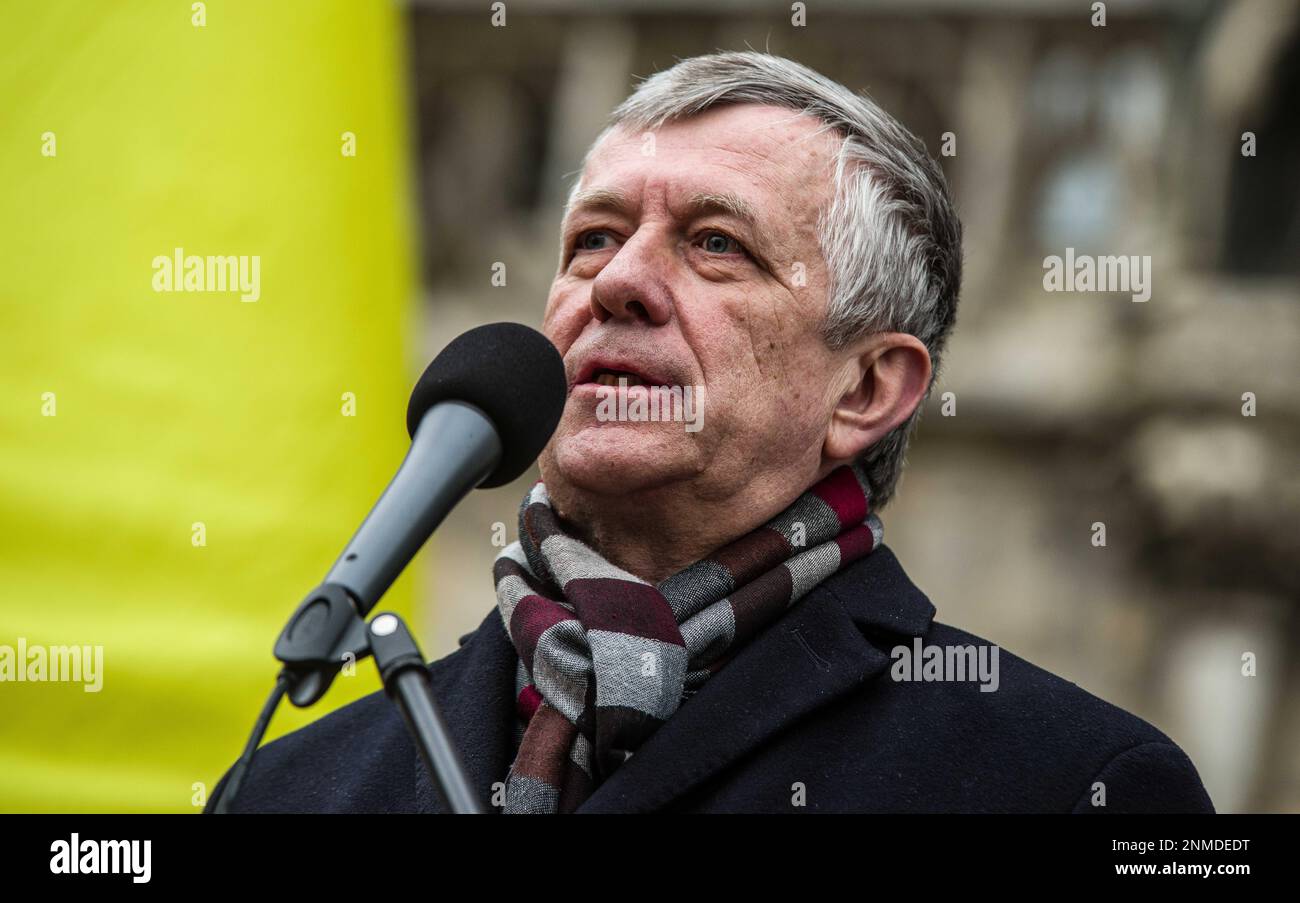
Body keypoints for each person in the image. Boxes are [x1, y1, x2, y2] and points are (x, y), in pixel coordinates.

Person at [209, 51, 1213, 814]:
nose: (617, 283)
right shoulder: (292, 788)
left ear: (867, 387)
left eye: (715, 245)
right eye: (593, 239)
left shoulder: (1069, 783)